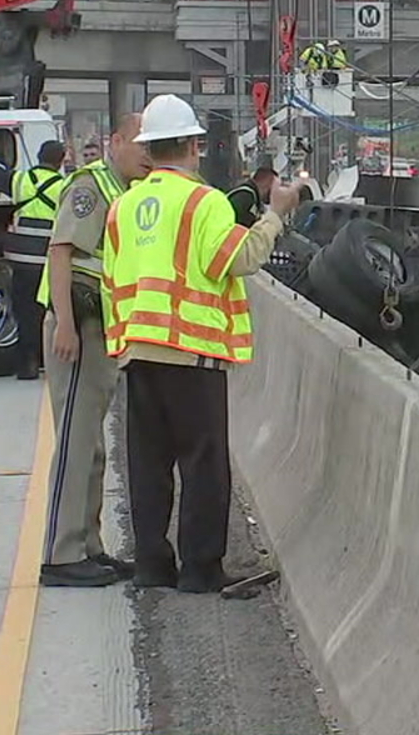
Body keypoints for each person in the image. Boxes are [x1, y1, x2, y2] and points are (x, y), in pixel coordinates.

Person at [102, 94, 301, 592]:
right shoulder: (204, 202)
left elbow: (111, 279)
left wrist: (121, 343)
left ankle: (151, 565)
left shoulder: (123, 206)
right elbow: (240, 258)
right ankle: (200, 569)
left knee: (149, 464)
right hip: (192, 352)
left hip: (138, 351)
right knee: (203, 462)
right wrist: (275, 214)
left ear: (149, 149)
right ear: (194, 145)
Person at [37, 114, 152, 587]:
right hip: (78, 326)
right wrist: (64, 322)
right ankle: (61, 556)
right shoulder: (92, 188)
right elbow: (61, 250)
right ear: (116, 142)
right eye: (139, 144)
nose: (147, 154)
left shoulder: (125, 193)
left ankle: (88, 545)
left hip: (100, 329)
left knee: (93, 445)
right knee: (75, 442)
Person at [5, 140, 68, 380]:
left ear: (38, 155)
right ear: (61, 161)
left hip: (20, 258)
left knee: (24, 311)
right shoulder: (64, 187)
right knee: (46, 311)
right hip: (47, 260)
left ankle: (26, 364)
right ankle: (47, 361)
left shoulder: (20, 180)